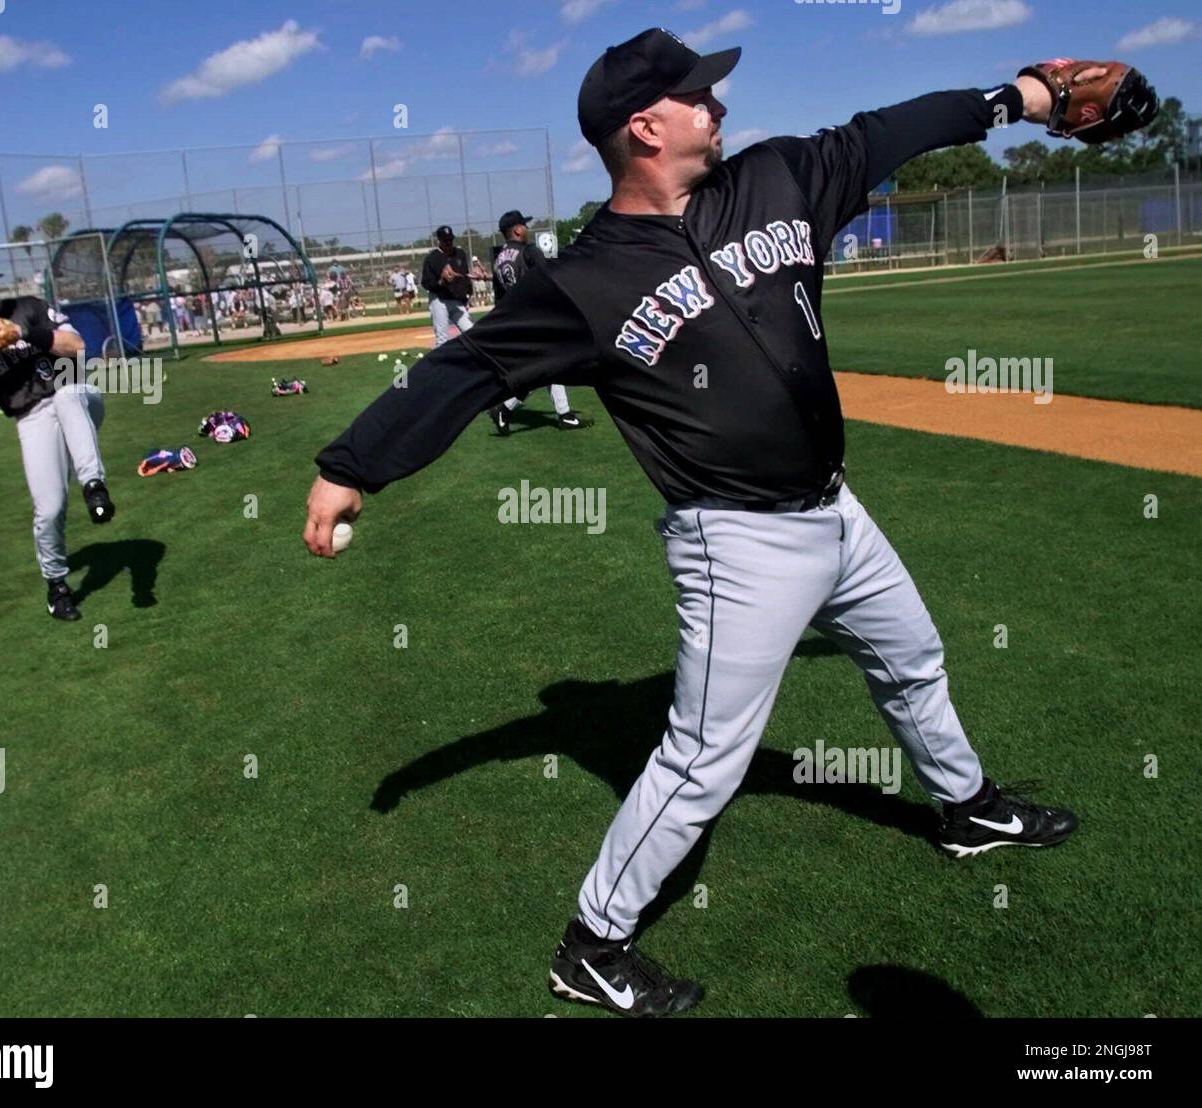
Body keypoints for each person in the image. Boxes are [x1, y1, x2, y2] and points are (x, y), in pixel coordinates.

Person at [301, 29, 1118, 1017]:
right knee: (700, 758)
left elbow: (883, 133)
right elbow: (464, 369)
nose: (718, 107)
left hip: (834, 508)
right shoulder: (584, 282)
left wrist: (1018, 97)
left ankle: (969, 809)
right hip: (736, 542)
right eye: (699, 96)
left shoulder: (774, 180)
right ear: (644, 128)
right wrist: (350, 468)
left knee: (910, 655)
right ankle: (593, 943)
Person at [0, 256, 115, 621]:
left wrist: (24, 332)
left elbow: (76, 344)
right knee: (50, 508)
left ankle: (93, 485)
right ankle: (57, 586)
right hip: (31, 418)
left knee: (67, 393)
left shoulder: (27, 308)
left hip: (77, 395)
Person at [487, 209, 583, 433]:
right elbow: (550, 279)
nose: (527, 229)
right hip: (538, 317)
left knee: (551, 366)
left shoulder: (499, 258)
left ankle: (565, 414)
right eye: (524, 225)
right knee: (545, 368)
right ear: (517, 229)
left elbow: (500, 298)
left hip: (516, 320)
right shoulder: (529, 251)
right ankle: (505, 407)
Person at [420, 225, 474, 347]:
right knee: (442, 339)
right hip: (439, 301)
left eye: (450, 240)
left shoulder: (460, 254)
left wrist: (466, 296)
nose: (449, 243)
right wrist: (442, 281)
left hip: (456, 300)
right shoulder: (432, 258)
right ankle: (439, 365)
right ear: (439, 241)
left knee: (471, 331)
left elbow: (465, 276)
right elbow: (426, 283)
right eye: (445, 241)